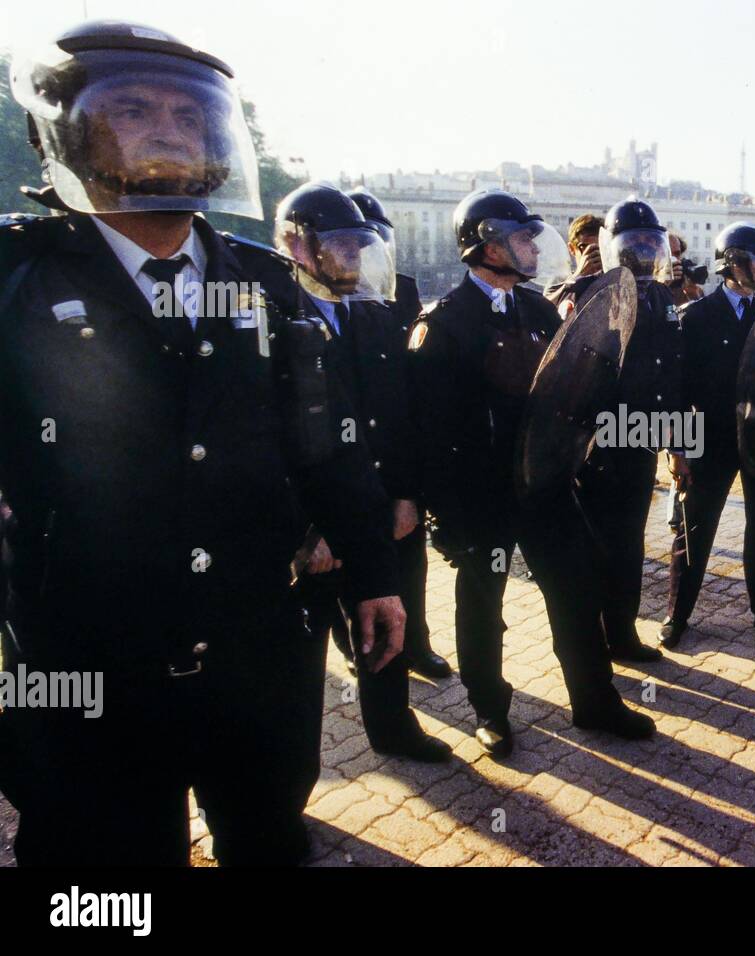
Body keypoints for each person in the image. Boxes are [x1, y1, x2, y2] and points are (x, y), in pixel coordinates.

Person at [0, 21, 406, 865]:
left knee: (269, 840)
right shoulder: (16, 279)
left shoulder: (261, 282)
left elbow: (326, 444)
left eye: (190, 116)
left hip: (257, 655)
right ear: (69, 133)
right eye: (136, 108)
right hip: (86, 664)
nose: (168, 130)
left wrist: (373, 575)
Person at [407, 189, 655, 758]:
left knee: (576, 588)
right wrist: (444, 513)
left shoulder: (542, 312)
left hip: (544, 487)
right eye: (521, 238)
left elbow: (573, 393)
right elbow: (428, 431)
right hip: (482, 500)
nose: (534, 248)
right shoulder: (442, 325)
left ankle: (594, 699)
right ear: (485, 243)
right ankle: (490, 710)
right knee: (483, 606)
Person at [274, 182, 452, 763]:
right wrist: (310, 530)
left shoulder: (375, 320)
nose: (357, 258)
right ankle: (288, 779)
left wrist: (407, 496)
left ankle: (392, 728)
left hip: (379, 514)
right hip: (313, 537)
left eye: (361, 245)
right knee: (300, 663)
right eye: (343, 246)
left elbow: (401, 420)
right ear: (300, 248)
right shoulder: (269, 324)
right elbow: (268, 444)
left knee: (385, 633)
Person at [660, 223, 755, 649]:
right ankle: (677, 614)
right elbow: (676, 391)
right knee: (694, 529)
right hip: (709, 441)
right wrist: (677, 451)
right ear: (733, 263)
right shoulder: (696, 318)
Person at [568, 199, 684, 663]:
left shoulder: (659, 296)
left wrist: (680, 446)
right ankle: (592, 638)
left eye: (647, 243)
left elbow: (673, 374)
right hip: (596, 444)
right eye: (631, 243)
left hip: (640, 439)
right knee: (595, 545)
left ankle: (622, 632)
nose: (640, 251)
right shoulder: (588, 293)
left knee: (630, 541)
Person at [347, 187, 452, 683]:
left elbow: (412, 382)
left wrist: (415, 484)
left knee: (412, 563)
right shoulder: (304, 295)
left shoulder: (403, 290)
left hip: (396, 453)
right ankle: (359, 646)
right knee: (352, 571)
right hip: (344, 459)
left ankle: (418, 645)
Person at [543, 213, 602, 317]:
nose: (592, 253)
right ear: (571, 249)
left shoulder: (614, 275)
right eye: (584, 247)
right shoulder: (560, 280)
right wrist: (577, 278)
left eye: (598, 247)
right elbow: (540, 310)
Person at [668, 231, 707, 307]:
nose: (674, 259)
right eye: (668, 254)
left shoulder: (689, 287)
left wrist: (693, 296)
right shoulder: (646, 286)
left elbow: (704, 316)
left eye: (677, 254)